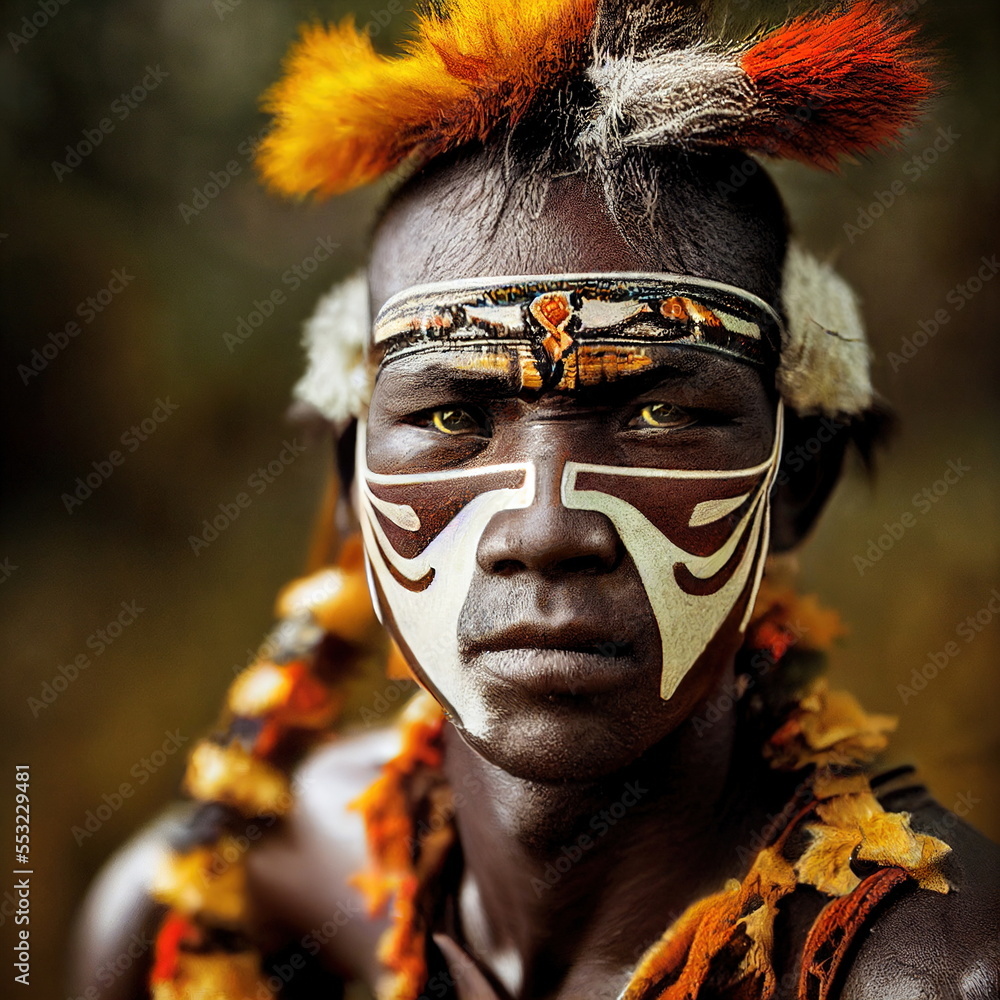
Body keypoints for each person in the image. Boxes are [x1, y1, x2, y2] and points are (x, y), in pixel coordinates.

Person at [72, 1, 999, 998]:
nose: (546, 528)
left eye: (658, 414)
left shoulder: (935, 974)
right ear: (352, 485)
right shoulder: (223, 907)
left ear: (795, 483)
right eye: (451, 417)